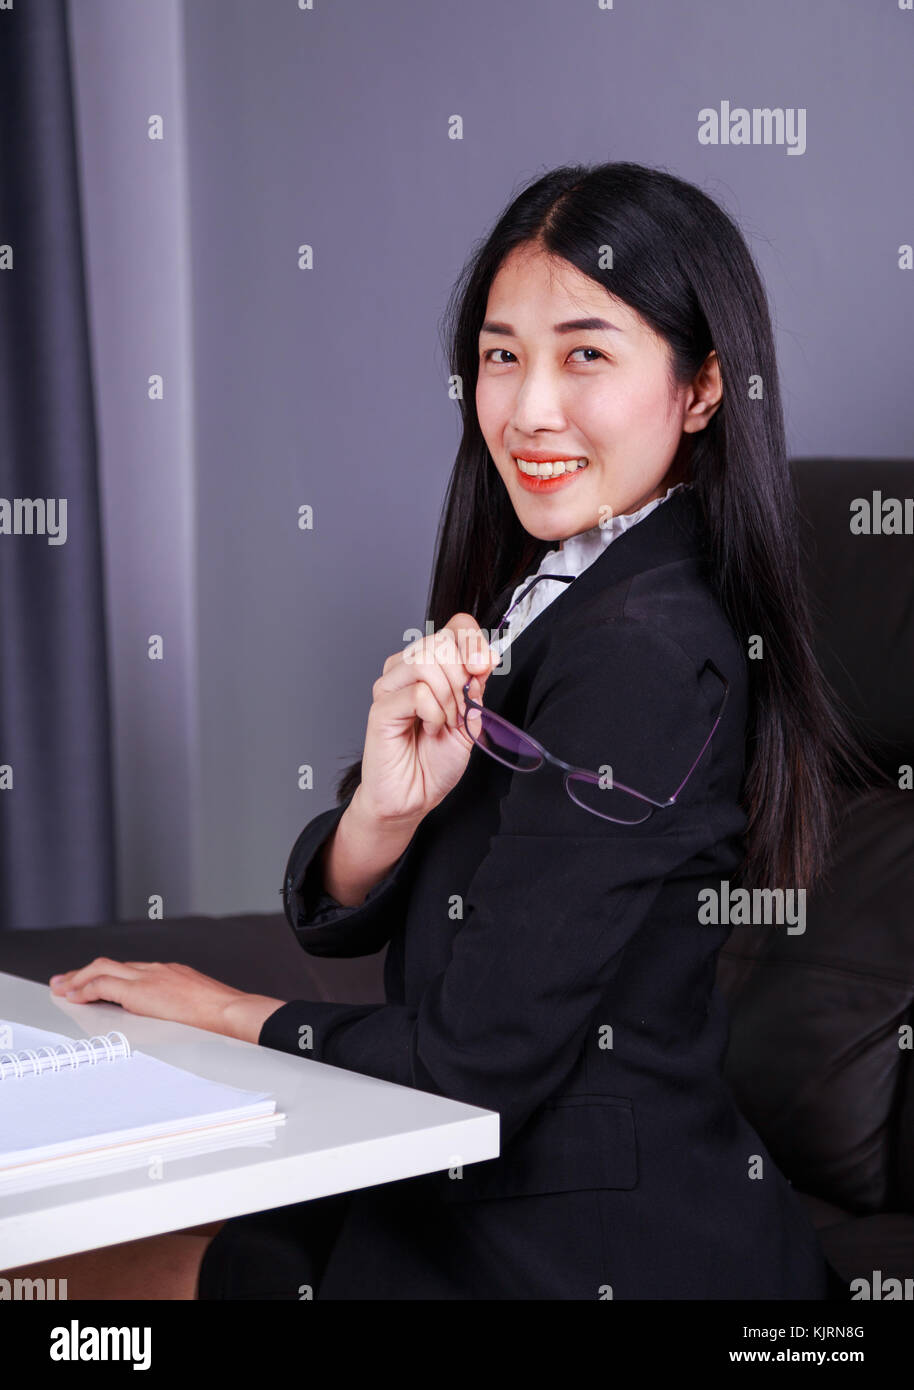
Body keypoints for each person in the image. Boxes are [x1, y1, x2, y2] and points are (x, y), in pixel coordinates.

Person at [39, 161, 877, 1299]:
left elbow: (472, 1063)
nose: (529, 408)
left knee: (97, 1267)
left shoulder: (646, 645)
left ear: (700, 387)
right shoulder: (561, 586)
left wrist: (225, 1010)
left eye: (586, 353)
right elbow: (345, 922)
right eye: (500, 355)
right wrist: (384, 814)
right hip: (468, 1174)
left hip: (583, 1237)